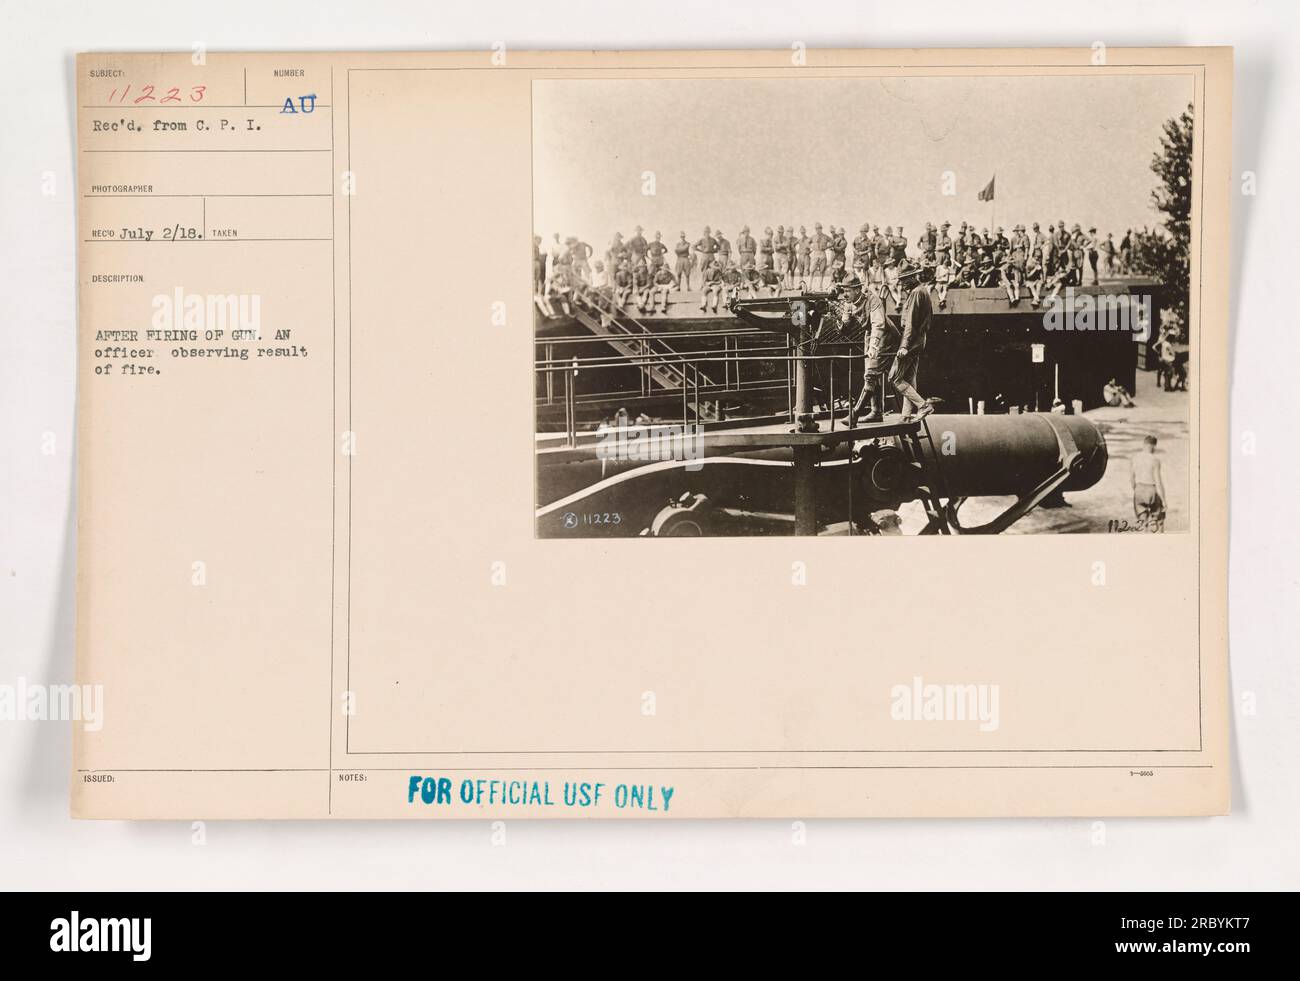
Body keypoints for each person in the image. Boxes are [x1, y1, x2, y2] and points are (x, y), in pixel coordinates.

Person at [891, 262, 940, 422]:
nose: (902, 282)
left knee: (895, 378)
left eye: (905, 279)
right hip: (919, 340)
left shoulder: (915, 294)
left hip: (911, 342)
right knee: (910, 378)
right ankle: (906, 415)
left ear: (913, 277)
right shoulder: (923, 291)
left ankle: (923, 406)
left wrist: (904, 346)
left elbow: (910, 323)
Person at [842, 276, 893, 423]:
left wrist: (873, 346)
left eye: (848, 291)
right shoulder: (849, 301)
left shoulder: (873, 299)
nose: (845, 294)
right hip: (869, 333)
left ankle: (855, 414)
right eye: (844, 291)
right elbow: (847, 321)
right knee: (871, 374)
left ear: (858, 290)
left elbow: (879, 325)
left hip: (884, 335)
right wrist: (843, 323)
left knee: (871, 374)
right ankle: (876, 412)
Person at [1130, 435, 1166, 532]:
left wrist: (1136, 489)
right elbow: (1158, 481)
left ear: (1144, 444)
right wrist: (1163, 500)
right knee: (1158, 521)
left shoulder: (1135, 458)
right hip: (1151, 490)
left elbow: (1132, 478)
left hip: (1139, 489)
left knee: (1142, 522)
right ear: (1154, 446)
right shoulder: (1155, 460)